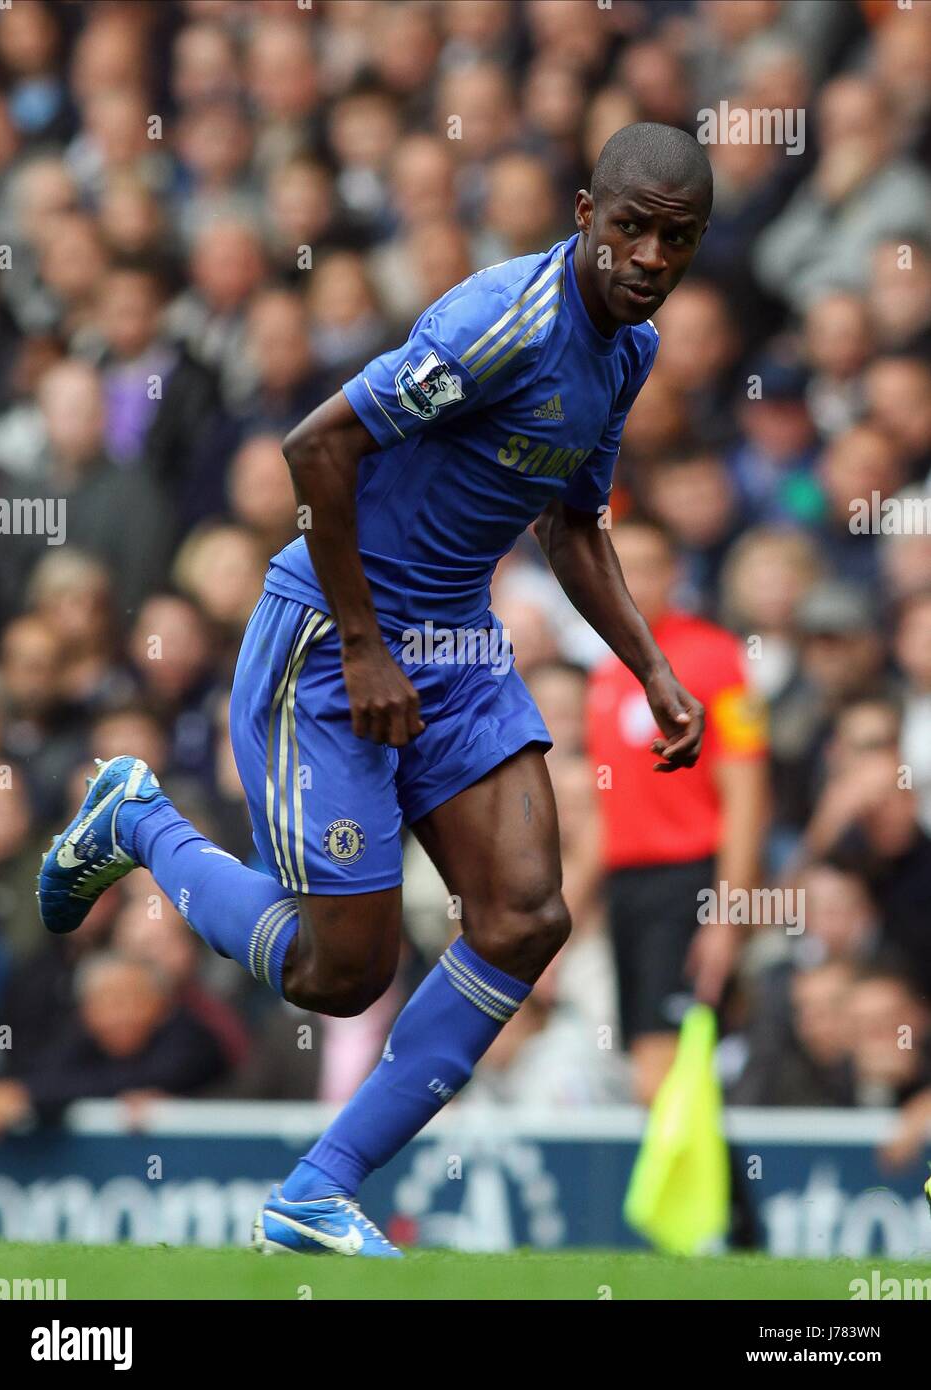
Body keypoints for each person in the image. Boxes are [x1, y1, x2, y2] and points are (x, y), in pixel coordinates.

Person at [38, 122, 712, 1257]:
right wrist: (362, 643)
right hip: (331, 640)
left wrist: (649, 667)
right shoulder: (501, 320)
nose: (648, 256)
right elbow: (316, 448)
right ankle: (138, 819)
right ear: (585, 213)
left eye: (675, 239)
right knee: (341, 973)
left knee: (524, 915)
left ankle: (318, 1185)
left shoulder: (626, 353)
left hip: (453, 645)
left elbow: (573, 523)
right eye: (631, 227)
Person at [586, 518, 769, 1102]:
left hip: (687, 881)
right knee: (646, 1059)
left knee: (663, 1069)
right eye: (622, 567)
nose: (633, 580)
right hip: (626, 888)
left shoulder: (716, 658)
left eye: (647, 566)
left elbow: (747, 794)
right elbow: (603, 805)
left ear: (676, 574)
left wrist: (726, 913)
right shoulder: (609, 672)